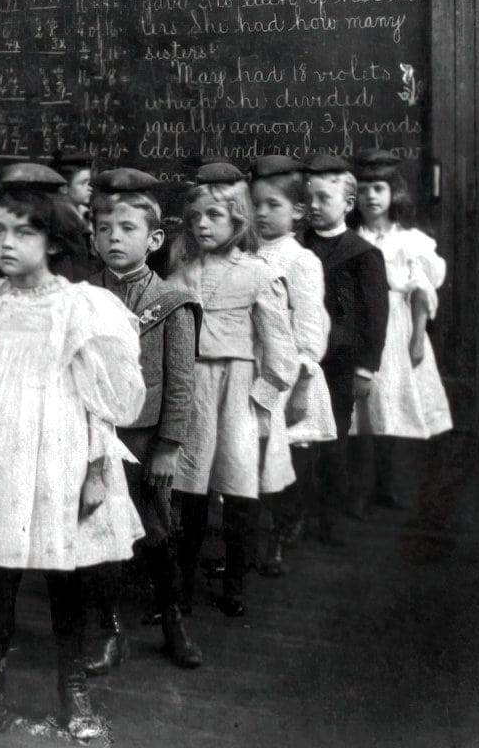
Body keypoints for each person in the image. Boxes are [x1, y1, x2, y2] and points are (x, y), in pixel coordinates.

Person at [0, 185, 145, 745]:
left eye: (24, 232)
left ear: (53, 242)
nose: (7, 243)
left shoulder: (81, 305)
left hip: (60, 448)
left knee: (65, 572)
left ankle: (73, 690)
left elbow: (100, 399)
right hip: (1, 447)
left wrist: (99, 466)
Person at [83, 167, 203, 671]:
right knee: (101, 532)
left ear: (154, 239)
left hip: (147, 438)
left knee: (157, 536)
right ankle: (111, 631)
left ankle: (174, 620)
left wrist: (170, 446)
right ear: (92, 237)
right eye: (105, 229)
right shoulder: (84, 297)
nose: (115, 238)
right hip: (97, 436)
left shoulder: (171, 303)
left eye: (128, 229)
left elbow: (181, 384)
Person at [169, 163, 297, 618]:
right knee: (190, 491)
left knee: (239, 491)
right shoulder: (182, 274)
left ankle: (235, 583)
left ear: (237, 221)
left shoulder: (258, 274)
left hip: (238, 391)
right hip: (193, 390)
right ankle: (181, 586)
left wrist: (259, 402)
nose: (203, 224)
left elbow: (282, 352)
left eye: (214, 217)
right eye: (197, 217)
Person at [250, 155, 337, 575]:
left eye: (273, 205)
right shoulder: (244, 253)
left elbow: (309, 330)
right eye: (256, 205)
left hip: (287, 378)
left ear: (298, 212)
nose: (262, 213)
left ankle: (278, 540)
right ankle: (252, 538)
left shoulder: (301, 261)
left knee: (282, 463)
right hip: (249, 370)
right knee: (251, 457)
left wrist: (301, 385)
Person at [350, 149, 452, 507]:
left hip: (398, 328)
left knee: (391, 405)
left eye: (378, 188)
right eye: (363, 189)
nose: (371, 197)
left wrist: (418, 336)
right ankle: (357, 489)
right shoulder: (351, 239)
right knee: (360, 411)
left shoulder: (409, 242)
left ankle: (385, 486)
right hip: (360, 326)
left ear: (394, 193)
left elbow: (421, 292)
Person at [300, 154, 389, 544]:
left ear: (348, 205)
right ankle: (294, 517)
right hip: (300, 359)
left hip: (338, 363)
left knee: (333, 442)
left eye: (324, 199)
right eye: (309, 199)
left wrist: (366, 368)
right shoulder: (297, 246)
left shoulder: (362, 254)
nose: (315, 207)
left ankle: (329, 518)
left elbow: (375, 315)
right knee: (296, 442)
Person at [49, 148, 98, 281]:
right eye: (83, 183)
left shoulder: (86, 216)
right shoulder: (59, 221)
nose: (90, 188)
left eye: (89, 182)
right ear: (64, 187)